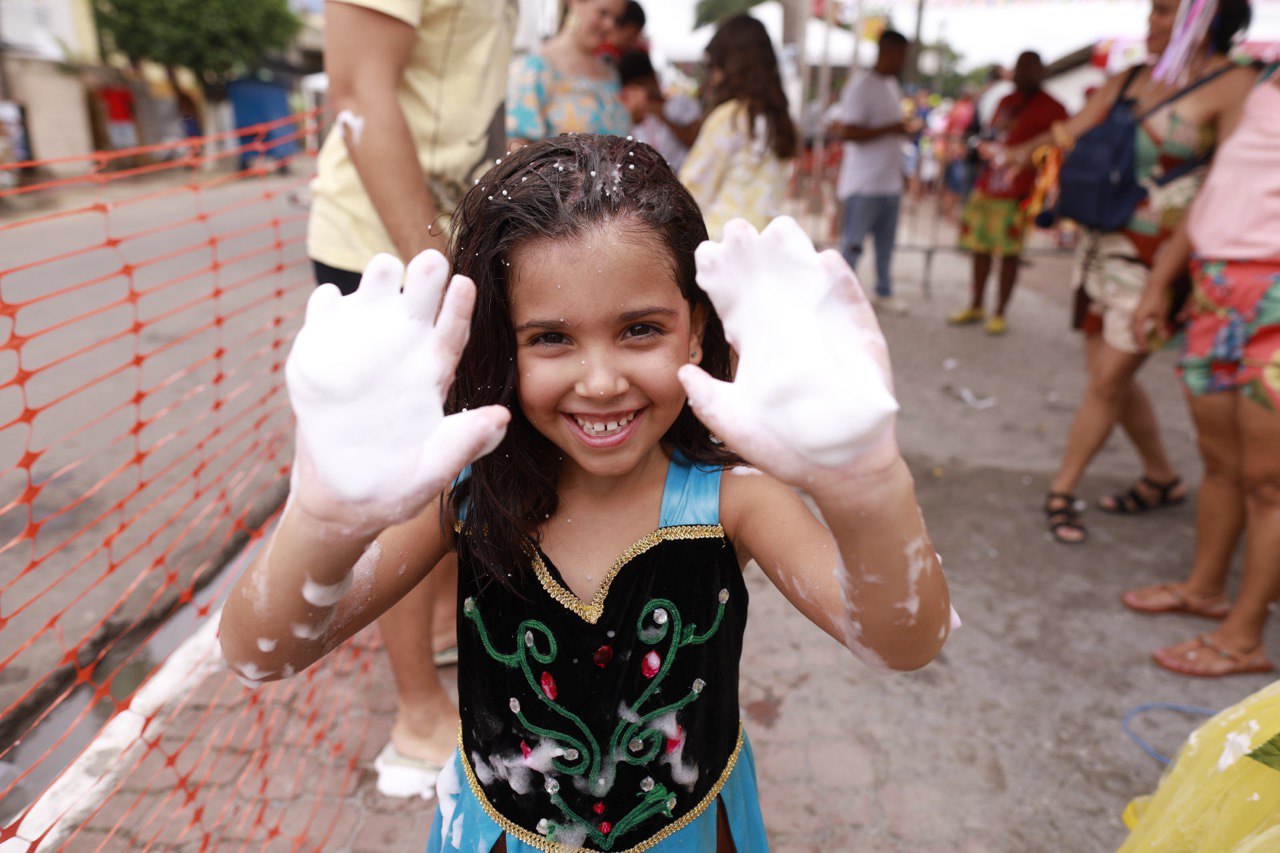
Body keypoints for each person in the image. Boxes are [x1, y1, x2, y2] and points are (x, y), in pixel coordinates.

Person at [219, 134, 953, 851]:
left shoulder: (736, 500)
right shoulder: (466, 497)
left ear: (696, 329)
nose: (600, 380)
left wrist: (865, 485)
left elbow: (903, 642)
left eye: (639, 329)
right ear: (502, 344)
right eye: (551, 338)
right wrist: (324, 518)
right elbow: (261, 652)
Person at [305, 0, 517, 798]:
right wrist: (442, 267)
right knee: (409, 482)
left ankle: (434, 633)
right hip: (388, 245)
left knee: (464, 453)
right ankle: (419, 716)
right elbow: (359, 87)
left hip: (446, 231)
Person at [1011, 0, 1257, 544]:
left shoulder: (1235, 85)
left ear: (1206, 17)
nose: (1151, 22)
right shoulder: (1132, 77)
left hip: (1159, 261)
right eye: (1152, 11)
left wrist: (1166, 278)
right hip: (1100, 248)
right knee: (1109, 380)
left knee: (1107, 381)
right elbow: (1071, 130)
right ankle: (1162, 478)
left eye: (1166, 12)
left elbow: (1221, 187)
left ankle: (1062, 489)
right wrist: (1018, 152)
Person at [1120, 62, 1280, 677]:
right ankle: (1205, 589)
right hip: (1215, 289)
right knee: (1220, 463)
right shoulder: (1261, 83)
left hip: (1272, 295)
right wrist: (1161, 281)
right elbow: (1218, 184)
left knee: (1269, 483)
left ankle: (1244, 637)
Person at [948, 52, 1067, 336]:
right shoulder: (1006, 101)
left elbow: (1059, 147)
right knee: (980, 247)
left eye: (1030, 67)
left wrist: (1031, 159)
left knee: (1010, 253)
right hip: (987, 185)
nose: (1023, 73)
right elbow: (994, 134)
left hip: (1018, 191)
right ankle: (976, 303)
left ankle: (999, 311)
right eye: (1020, 67)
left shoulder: (1054, 108)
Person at [679, 14, 797, 239]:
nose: (712, 77)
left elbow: (690, 191)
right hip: (763, 246)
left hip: (718, 246)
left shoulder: (730, 117)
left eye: (714, 65)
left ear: (729, 66)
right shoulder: (779, 119)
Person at [833, 30, 917, 316]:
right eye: (901, 54)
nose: (904, 61)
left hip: (888, 182)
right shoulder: (861, 85)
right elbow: (849, 130)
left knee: (885, 246)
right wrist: (890, 129)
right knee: (853, 244)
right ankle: (839, 296)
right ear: (888, 51)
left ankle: (883, 290)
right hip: (864, 182)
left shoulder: (892, 84)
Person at [507, 0, 632, 147]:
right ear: (574, 3)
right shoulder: (533, 69)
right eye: (603, 13)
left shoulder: (611, 74)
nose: (610, 25)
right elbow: (516, 146)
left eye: (617, 19)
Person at [618, 50, 701, 172]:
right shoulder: (630, 119)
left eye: (640, 84)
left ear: (653, 79)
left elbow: (696, 142)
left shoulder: (681, 103)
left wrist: (661, 114)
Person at [598, 0, 647, 64]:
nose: (633, 44)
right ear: (615, 27)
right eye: (629, 38)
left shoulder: (621, 55)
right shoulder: (607, 57)